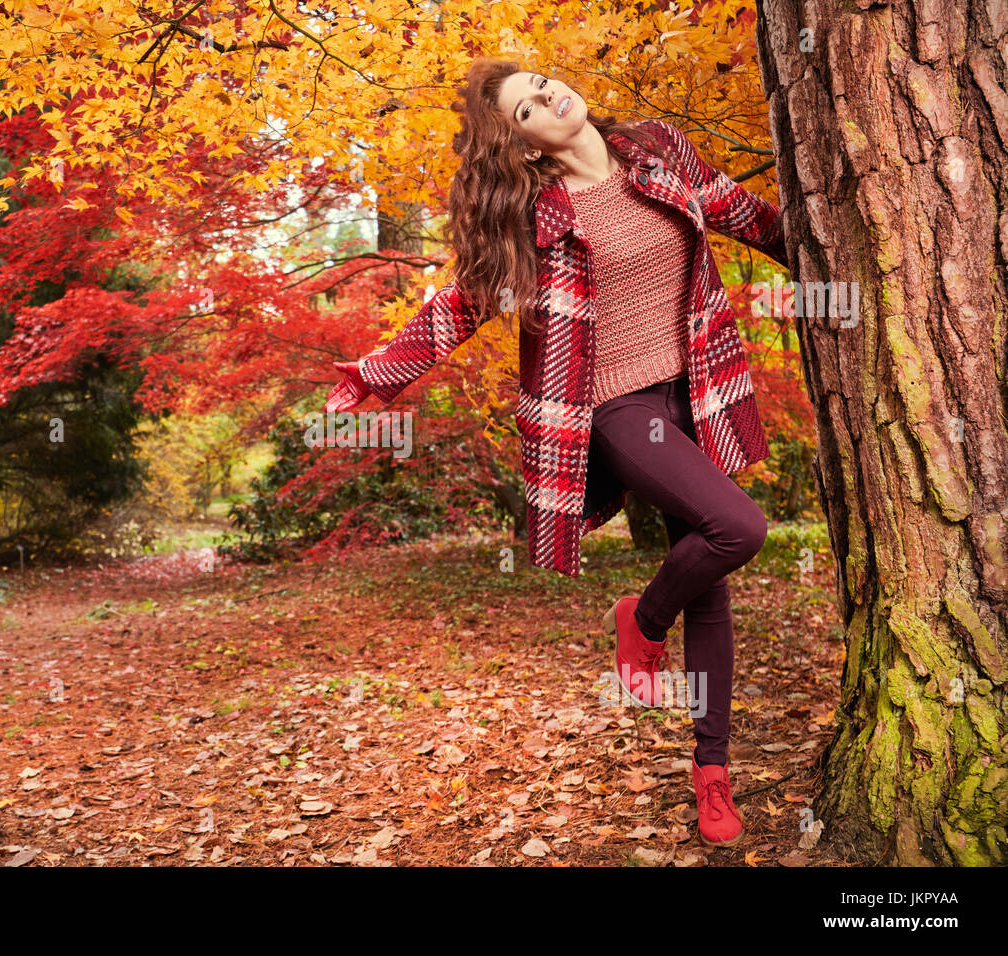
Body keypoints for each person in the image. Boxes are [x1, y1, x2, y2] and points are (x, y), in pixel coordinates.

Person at [326, 57, 791, 848]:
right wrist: (378, 373)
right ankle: (640, 622)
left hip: (699, 380)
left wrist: (838, 253)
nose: (548, 97)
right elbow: (466, 302)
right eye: (526, 110)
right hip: (616, 406)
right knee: (737, 530)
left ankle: (712, 771)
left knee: (709, 578)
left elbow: (744, 214)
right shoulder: (534, 219)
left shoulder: (656, 149)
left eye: (542, 84)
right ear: (525, 146)